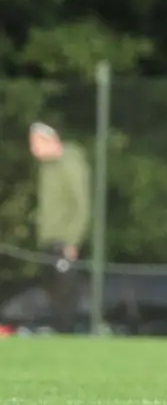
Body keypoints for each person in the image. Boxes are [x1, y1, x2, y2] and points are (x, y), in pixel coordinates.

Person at [30, 123, 90, 334]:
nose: (33, 150)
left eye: (36, 144)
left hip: (64, 241)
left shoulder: (70, 163)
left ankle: (66, 332)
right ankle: (57, 330)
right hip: (49, 239)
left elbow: (80, 205)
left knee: (65, 290)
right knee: (52, 288)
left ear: (50, 140)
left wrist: (72, 241)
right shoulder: (47, 167)